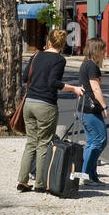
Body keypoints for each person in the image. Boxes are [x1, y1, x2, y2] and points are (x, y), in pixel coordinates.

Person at [16, 28, 83, 193]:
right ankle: (39, 184)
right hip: (45, 105)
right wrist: (73, 88)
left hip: (29, 103)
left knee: (31, 143)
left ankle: (22, 181)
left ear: (49, 41)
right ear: (61, 44)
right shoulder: (59, 60)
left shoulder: (36, 55)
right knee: (44, 144)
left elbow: (25, 77)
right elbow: (54, 82)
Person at [76, 37, 109, 184]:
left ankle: (91, 175)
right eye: (103, 49)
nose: (105, 52)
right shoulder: (92, 67)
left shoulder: (85, 64)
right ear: (97, 50)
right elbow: (95, 88)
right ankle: (85, 174)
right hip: (90, 109)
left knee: (92, 141)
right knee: (100, 140)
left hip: (84, 108)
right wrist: (104, 106)